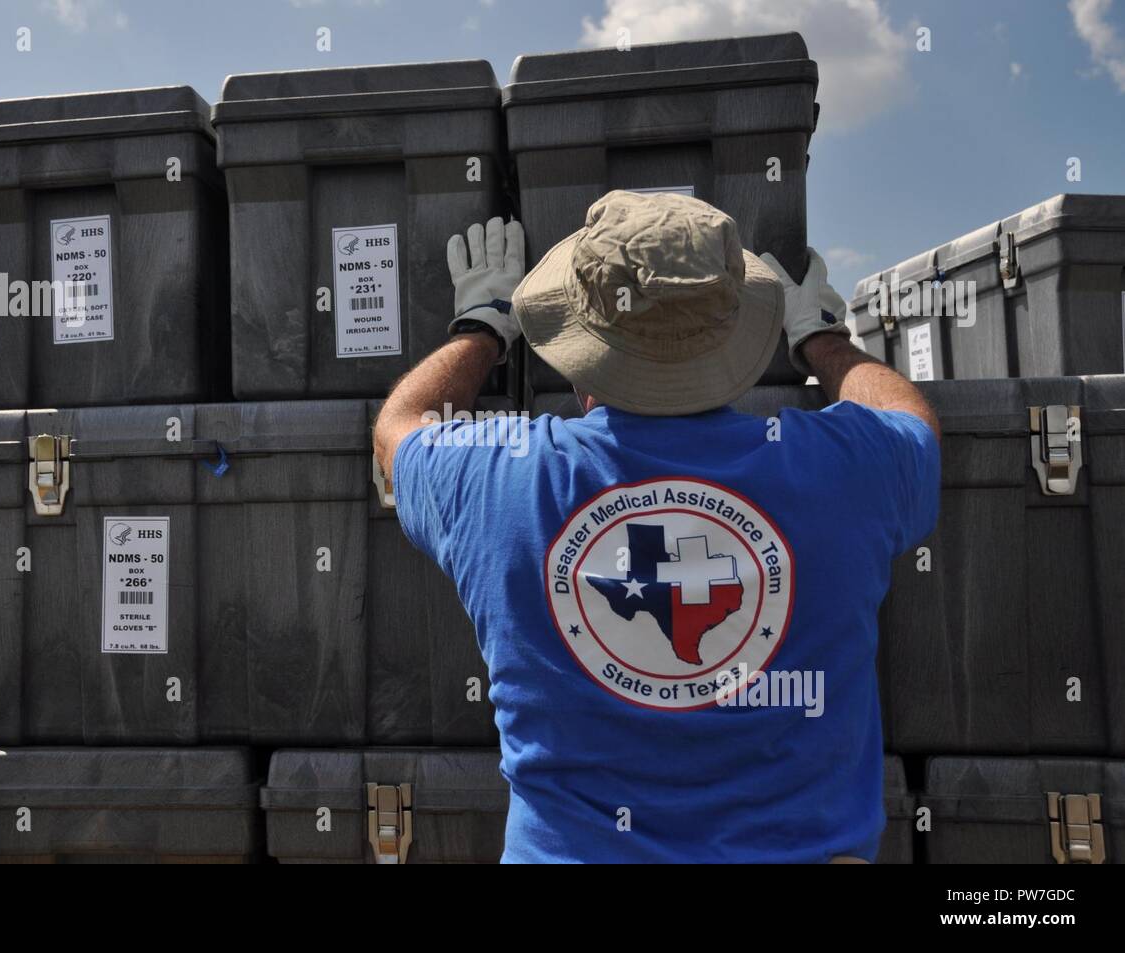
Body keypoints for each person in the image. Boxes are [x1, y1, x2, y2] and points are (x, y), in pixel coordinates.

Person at [372, 190, 940, 863]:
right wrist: (820, 335)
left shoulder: (500, 475)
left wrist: (482, 327)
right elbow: (916, 430)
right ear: (736, 341)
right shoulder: (846, 468)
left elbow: (396, 431)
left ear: (580, 349)